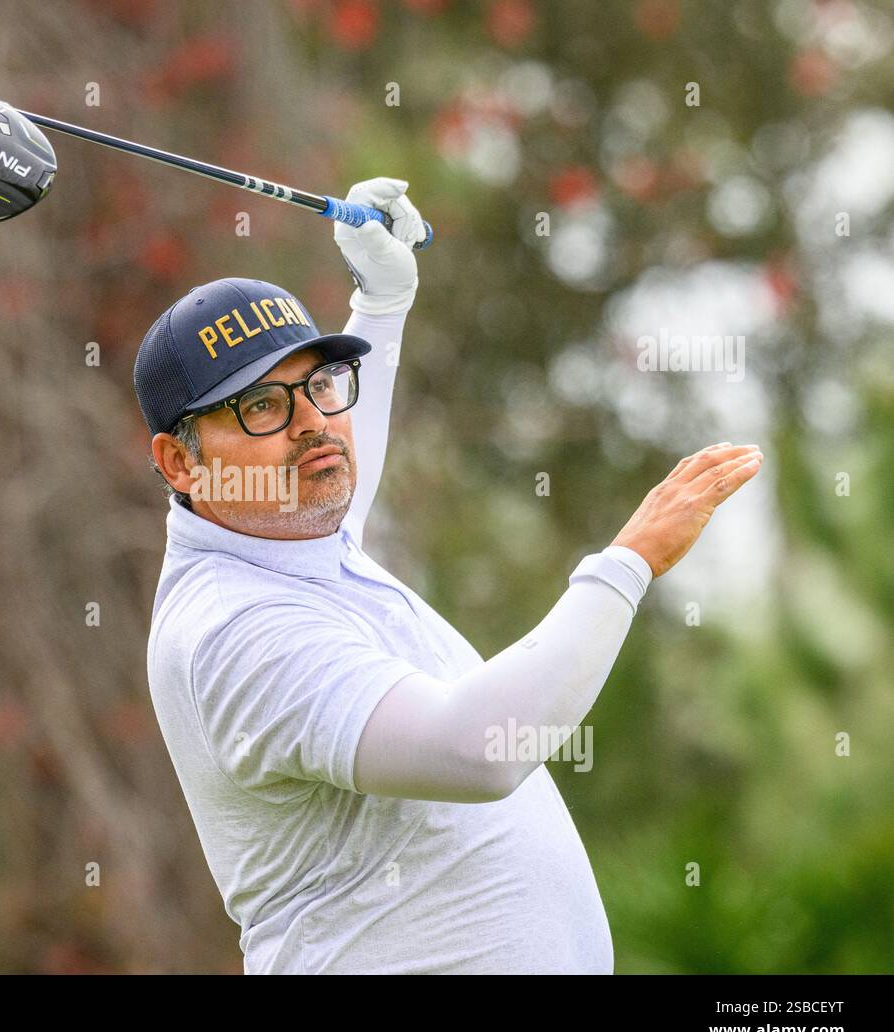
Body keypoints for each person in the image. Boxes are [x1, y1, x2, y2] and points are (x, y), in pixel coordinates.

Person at [134, 177, 763, 974]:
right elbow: (478, 749)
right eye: (260, 405)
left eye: (319, 386)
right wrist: (628, 564)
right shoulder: (233, 631)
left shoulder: (282, 532)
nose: (312, 424)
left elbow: (323, 454)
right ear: (180, 461)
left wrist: (384, 297)